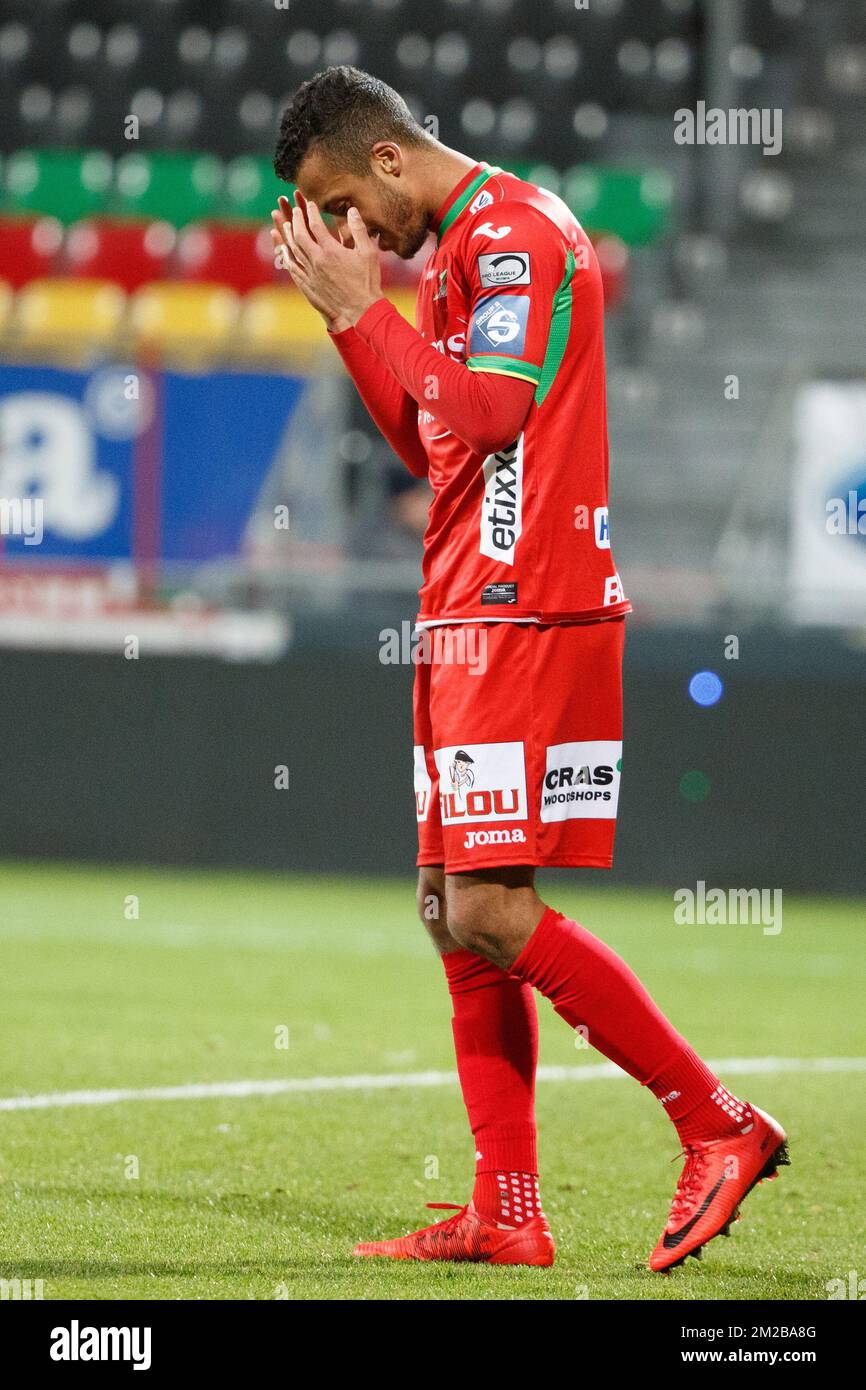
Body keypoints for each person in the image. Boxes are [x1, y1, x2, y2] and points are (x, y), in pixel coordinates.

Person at [270, 65, 787, 1271]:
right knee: (451, 915)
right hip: (461, 607)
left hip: (522, 609)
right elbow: (433, 438)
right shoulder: (451, 253)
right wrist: (355, 318)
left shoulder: (510, 237)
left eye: (343, 200)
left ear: (389, 159)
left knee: (493, 908)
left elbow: (496, 415)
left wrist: (369, 306)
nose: (351, 230)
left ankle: (715, 1122)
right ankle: (506, 1208)